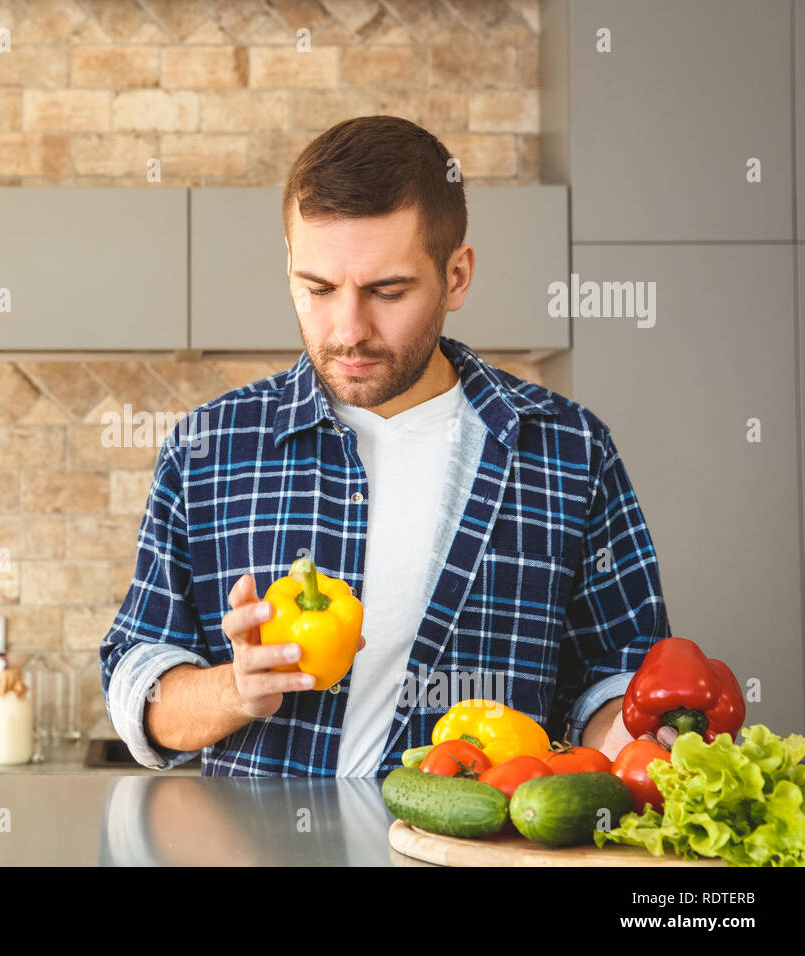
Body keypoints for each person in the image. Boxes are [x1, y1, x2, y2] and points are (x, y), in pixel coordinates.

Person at [99, 115, 662, 778]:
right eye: (317, 289)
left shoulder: (569, 449)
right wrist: (238, 688)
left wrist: (649, 741)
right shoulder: (210, 447)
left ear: (456, 276)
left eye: (387, 291)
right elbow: (140, 673)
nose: (348, 329)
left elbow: (617, 676)